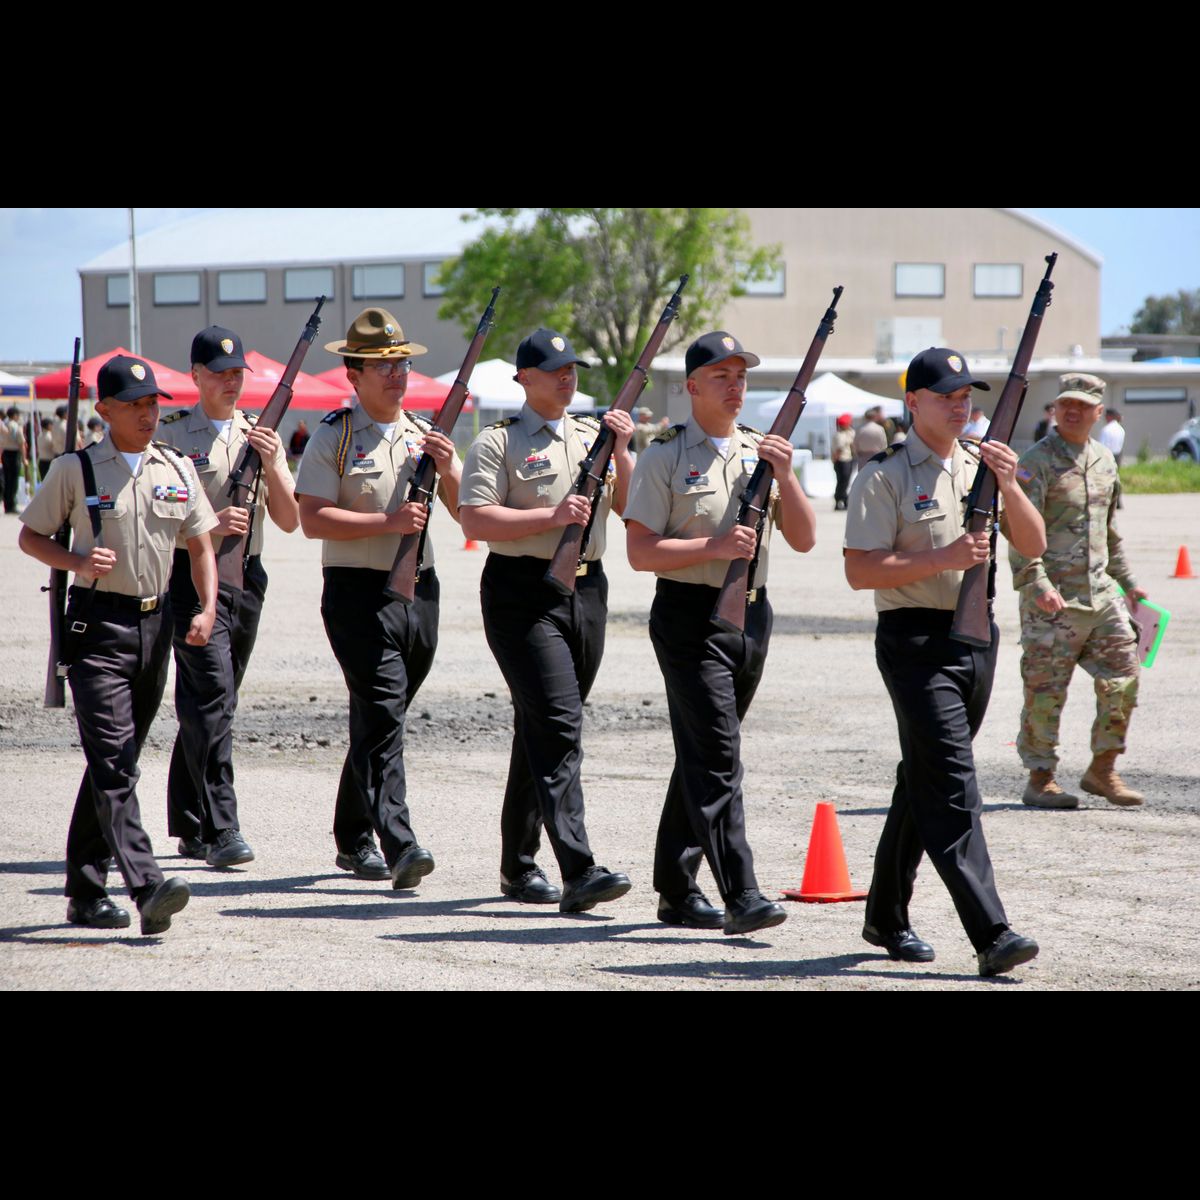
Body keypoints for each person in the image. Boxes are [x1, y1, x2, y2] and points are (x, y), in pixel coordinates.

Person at [843, 346, 1047, 977]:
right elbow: (859, 570)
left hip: (973, 636)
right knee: (955, 784)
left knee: (925, 777)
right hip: (913, 641)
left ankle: (886, 913)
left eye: (967, 396)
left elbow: (1034, 542)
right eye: (947, 396)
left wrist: (1009, 484)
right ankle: (991, 930)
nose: (961, 405)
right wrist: (945, 557)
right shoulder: (883, 475)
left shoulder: (981, 465)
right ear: (913, 402)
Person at [624, 331, 816, 935]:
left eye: (742, 377)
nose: (736, 386)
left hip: (751, 615)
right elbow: (639, 552)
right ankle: (742, 893)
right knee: (719, 757)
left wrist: (788, 474)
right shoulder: (664, 456)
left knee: (704, 754)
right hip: (689, 617)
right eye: (723, 376)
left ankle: (676, 889)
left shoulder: (763, 452)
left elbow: (805, 538)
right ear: (693, 387)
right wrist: (715, 545)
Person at [17, 355, 216, 934]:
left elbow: (200, 544)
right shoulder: (76, 469)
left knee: (115, 762)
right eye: (135, 405)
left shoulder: (176, 466)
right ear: (104, 410)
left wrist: (204, 608)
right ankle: (147, 884)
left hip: (158, 628)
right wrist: (78, 560)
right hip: (96, 629)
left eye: (154, 403)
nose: (149, 413)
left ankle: (84, 891)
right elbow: (31, 535)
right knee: (114, 762)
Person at [459, 328, 633, 913]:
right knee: (559, 722)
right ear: (523, 379)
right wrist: (550, 516)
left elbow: (629, 508)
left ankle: (517, 864)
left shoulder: (593, 435)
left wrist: (625, 453)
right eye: (554, 369)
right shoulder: (497, 442)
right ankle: (578, 869)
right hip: (522, 593)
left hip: (587, 590)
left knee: (544, 724)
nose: (567, 377)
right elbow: (476, 520)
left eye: (572, 368)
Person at [295, 307, 461, 889]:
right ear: (353, 374)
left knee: (379, 718)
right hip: (358, 593)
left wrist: (450, 467)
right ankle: (400, 842)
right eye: (382, 366)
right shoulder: (334, 437)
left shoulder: (423, 434)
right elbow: (311, 518)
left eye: (402, 364)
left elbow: (466, 513)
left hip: (420, 591)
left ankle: (352, 834)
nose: (397, 375)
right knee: (384, 714)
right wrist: (386, 522)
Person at [157, 326, 300, 866]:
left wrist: (273, 464)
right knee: (213, 698)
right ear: (195, 375)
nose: (230, 382)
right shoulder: (171, 436)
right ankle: (221, 829)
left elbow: (288, 521)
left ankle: (190, 822)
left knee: (209, 703)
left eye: (238, 373)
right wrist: (207, 525)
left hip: (247, 577)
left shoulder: (259, 433)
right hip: (190, 574)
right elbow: (154, 517)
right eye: (219, 373)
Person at [1011, 374, 1146, 809]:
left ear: (1098, 414)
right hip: (1052, 600)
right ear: (1055, 409)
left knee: (1124, 677)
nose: (1072, 411)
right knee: (1046, 692)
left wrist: (1128, 583)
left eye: (1082, 406)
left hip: (1101, 594)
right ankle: (1041, 777)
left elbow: (1109, 532)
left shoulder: (1106, 460)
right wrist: (1037, 583)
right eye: (1065, 404)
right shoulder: (1035, 462)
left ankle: (1102, 769)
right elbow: (1016, 531)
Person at [1, 405, 28, 512]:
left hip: (5, 452)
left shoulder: (4, 424)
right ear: (15, 415)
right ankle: (12, 505)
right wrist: (24, 458)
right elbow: (21, 443)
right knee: (13, 481)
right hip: (13, 453)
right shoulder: (16, 426)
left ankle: (7, 504)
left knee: (7, 480)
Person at [832, 412, 855, 511]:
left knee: (846, 481)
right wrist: (835, 460)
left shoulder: (850, 433)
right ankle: (839, 499)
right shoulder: (839, 435)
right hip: (841, 460)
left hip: (848, 459)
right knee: (842, 481)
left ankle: (844, 499)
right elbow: (838, 449)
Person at [37, 417, 57, 481]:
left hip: (41, 461)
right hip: (49, 461)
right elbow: (55, 447)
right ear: (49, 426)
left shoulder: (39, 435)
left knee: (44, 481)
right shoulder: (50, 436)